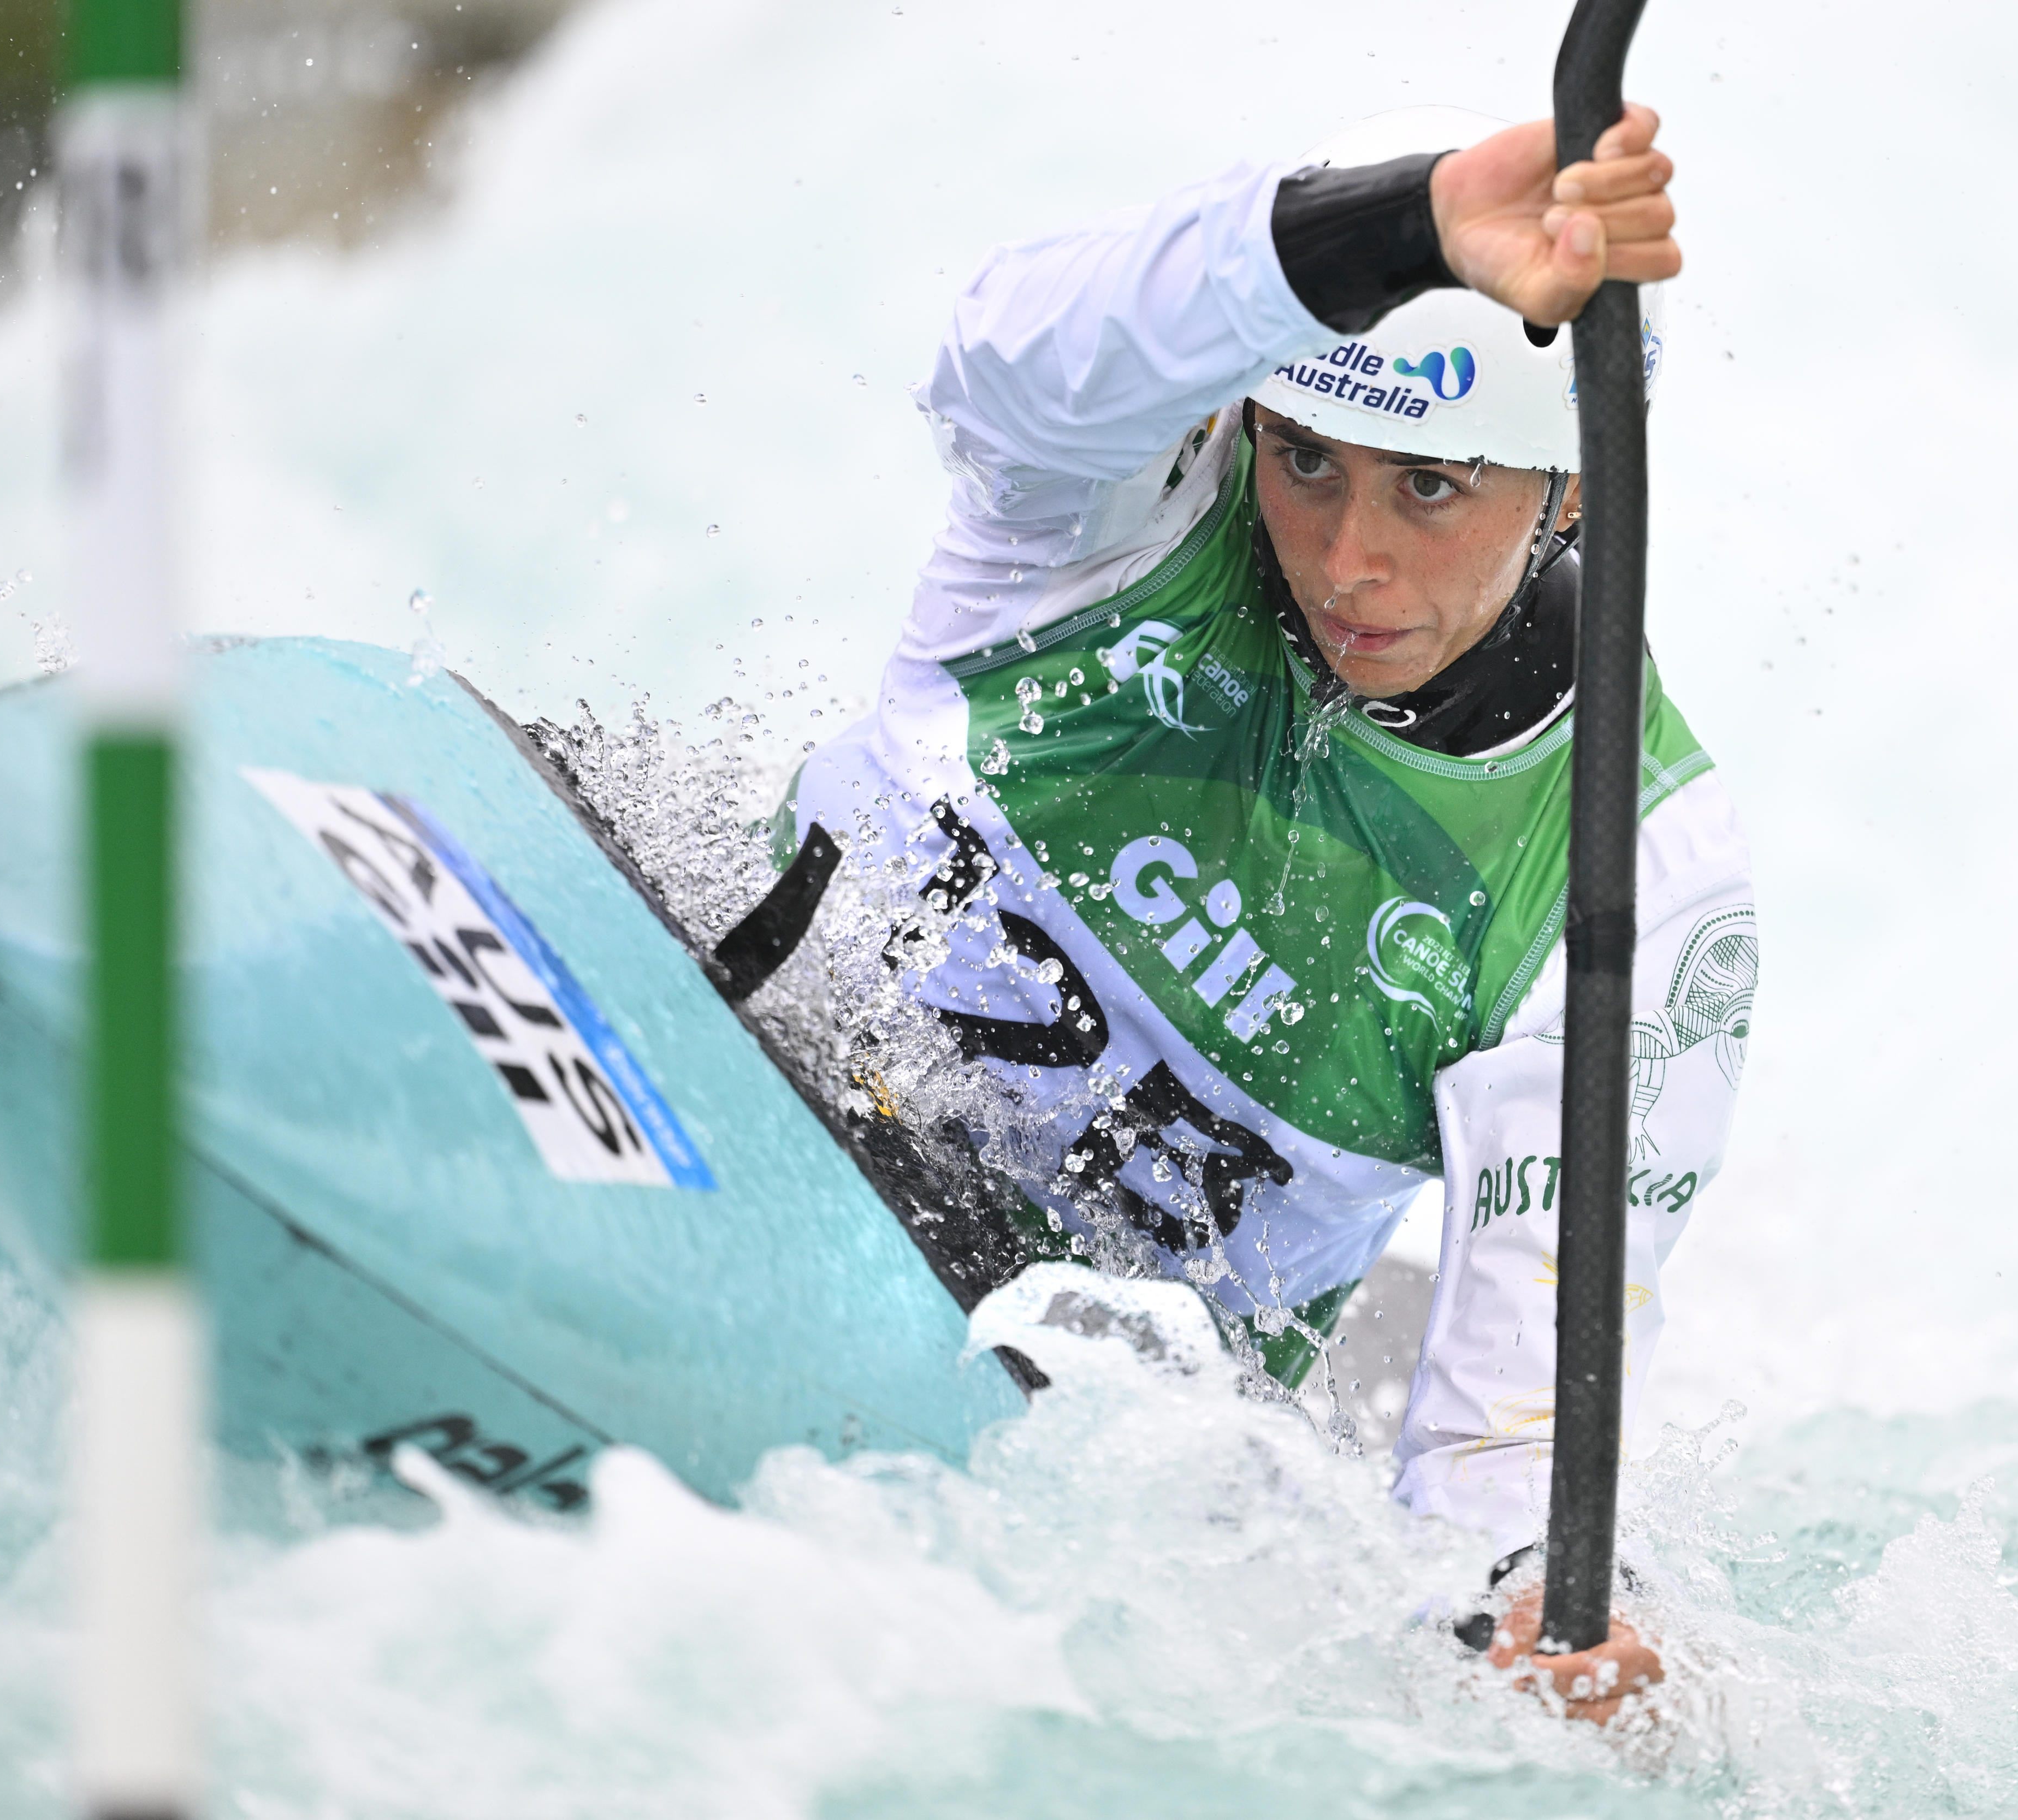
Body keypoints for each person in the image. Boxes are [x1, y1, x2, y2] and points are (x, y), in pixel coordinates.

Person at [737, 101, 1752, 1722]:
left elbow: (1508, 1430)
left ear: (1566, 498)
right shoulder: (1126, 504)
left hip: (1070, 1413)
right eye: (1309, 461)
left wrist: (1530, 1619)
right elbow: (1003, 349)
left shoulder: (1633, 866)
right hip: (742, 1081)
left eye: (1433, 489)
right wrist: (1405, 223)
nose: (1347, 559)